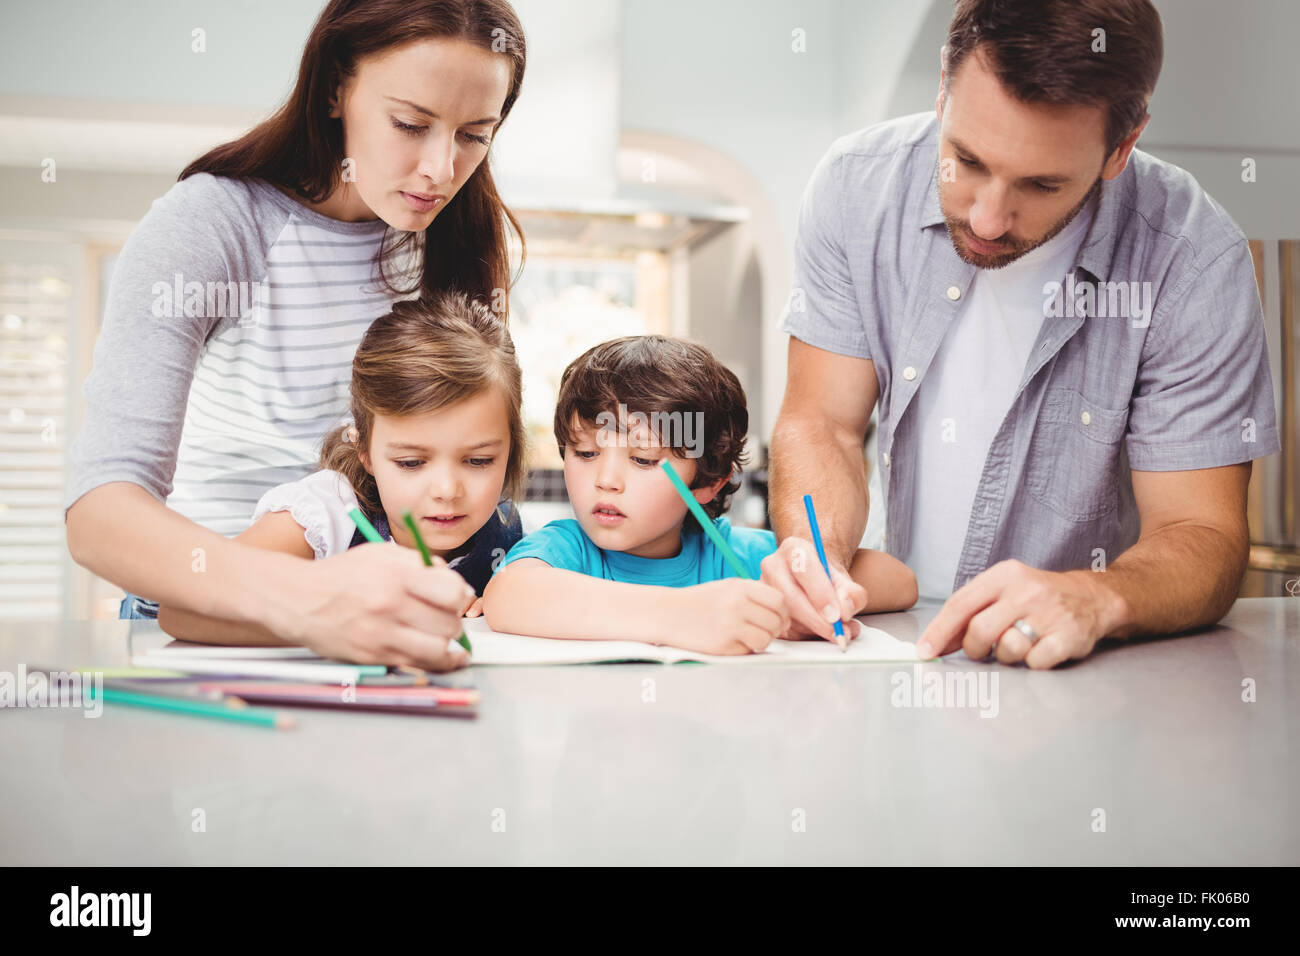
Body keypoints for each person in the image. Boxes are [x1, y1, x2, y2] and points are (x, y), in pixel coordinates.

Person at [765, 0, 1279, 667]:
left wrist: (1095, 599)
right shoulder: (855, 188)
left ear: (1121, 148)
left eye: (1040, 184)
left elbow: (1201, 531)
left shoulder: (1193, 259)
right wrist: (816, 555)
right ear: (944, 89)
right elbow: (823, 423)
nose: (985, 219)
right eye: (967, 160)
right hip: (893, 649)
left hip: (1086, 670)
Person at [63, 0, 528, 670]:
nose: (439, 170)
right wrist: (311, 600)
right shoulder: (215, 224)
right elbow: (100, 514)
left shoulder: (458, 240)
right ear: (337, 85)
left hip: (375, 605)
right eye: (410, 123)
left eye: (474, 135)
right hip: (205, 619)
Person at [483, 335, 917, 655]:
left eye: (644, 460)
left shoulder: (733, 554)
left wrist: (811, 598)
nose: (605, 479)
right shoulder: (567, 548)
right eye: (586, 452)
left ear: (708, 481)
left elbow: (898, 580)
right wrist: (680, 615)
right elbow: (508, 596)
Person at [156, 293, 526, 658]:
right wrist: (321, 615)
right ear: (363, 448)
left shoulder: (504, 525)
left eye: (478, 461)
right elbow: (183, 609)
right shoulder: (325, 514)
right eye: (411, 463)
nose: (447, 490)